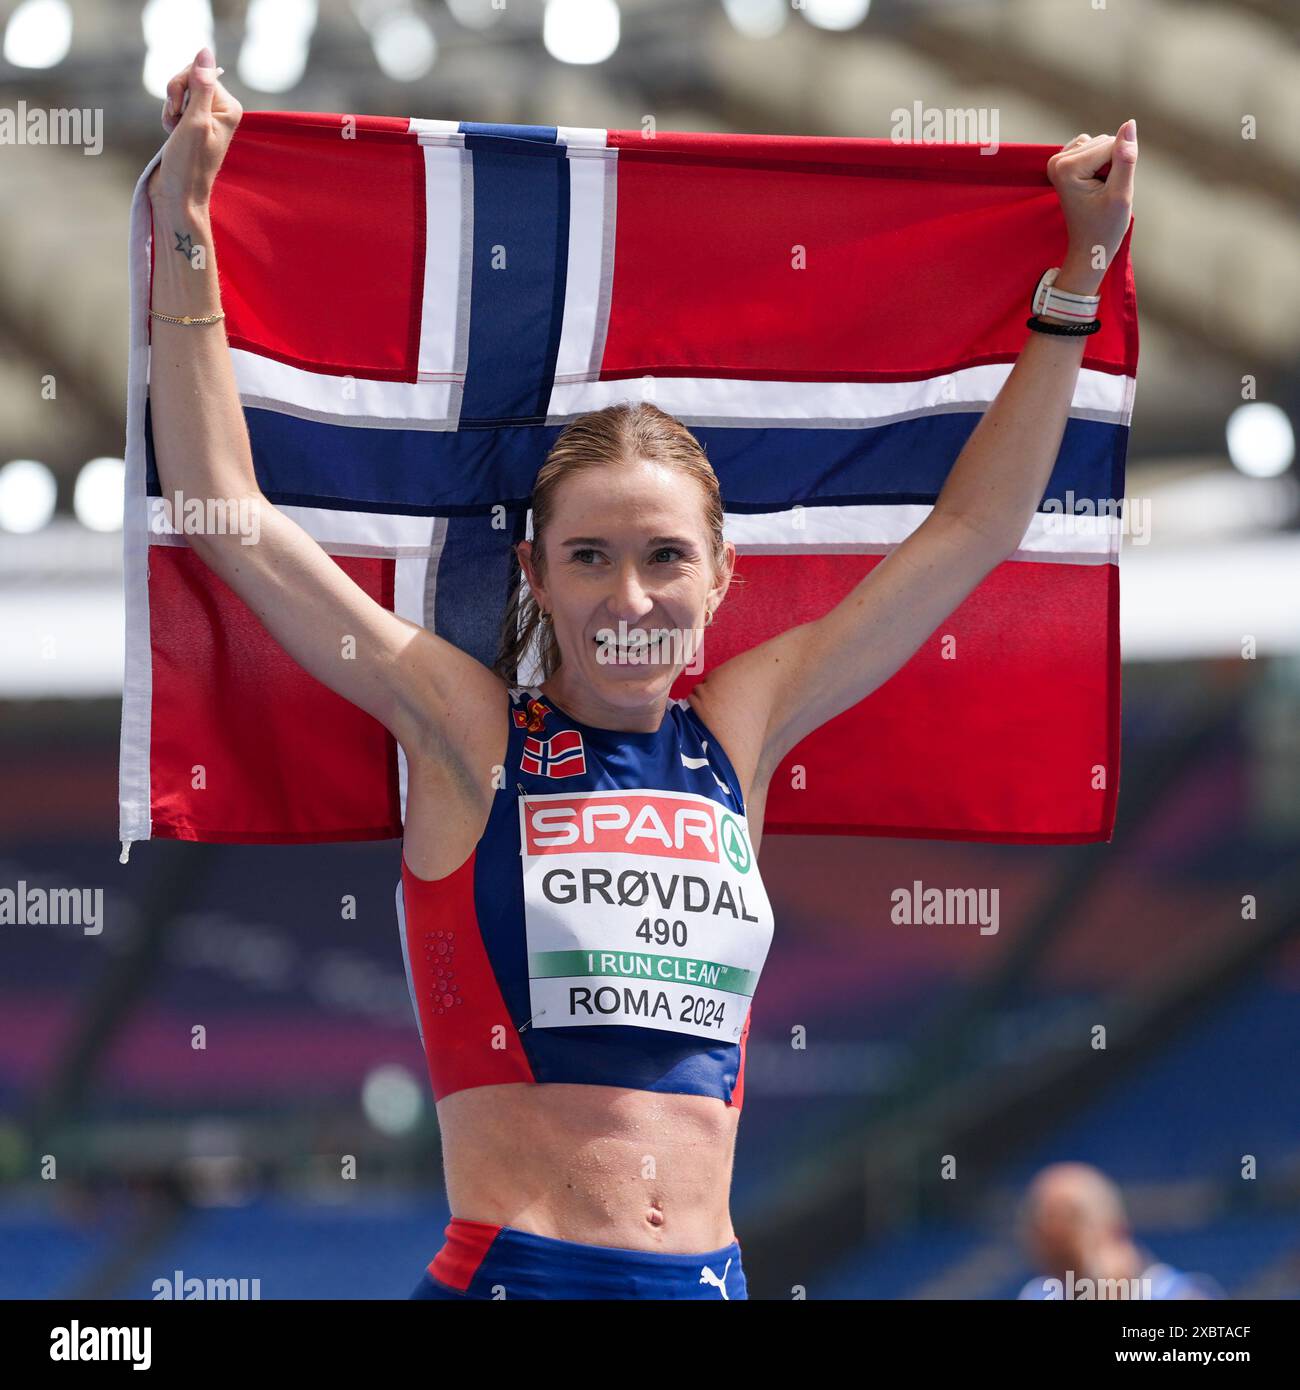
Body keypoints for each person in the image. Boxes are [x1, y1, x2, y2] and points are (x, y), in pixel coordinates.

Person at [148, 46, 1138, 1300]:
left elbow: (970, 533)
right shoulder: (463, 726)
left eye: (665, 556)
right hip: (523, 1277)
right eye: (590, 558)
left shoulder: (743, 726)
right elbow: (221, 503)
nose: (630, 596)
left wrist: (1077, 275)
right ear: (535, 576)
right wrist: (187, 218)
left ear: (720, 575)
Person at [1017, 1162, 1222, 1300]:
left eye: (1070, 1218)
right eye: (1040, 1224)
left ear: (1116, 1231)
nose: (1055, 1233)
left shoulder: (1182, 1294)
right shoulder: (1039, 1294)